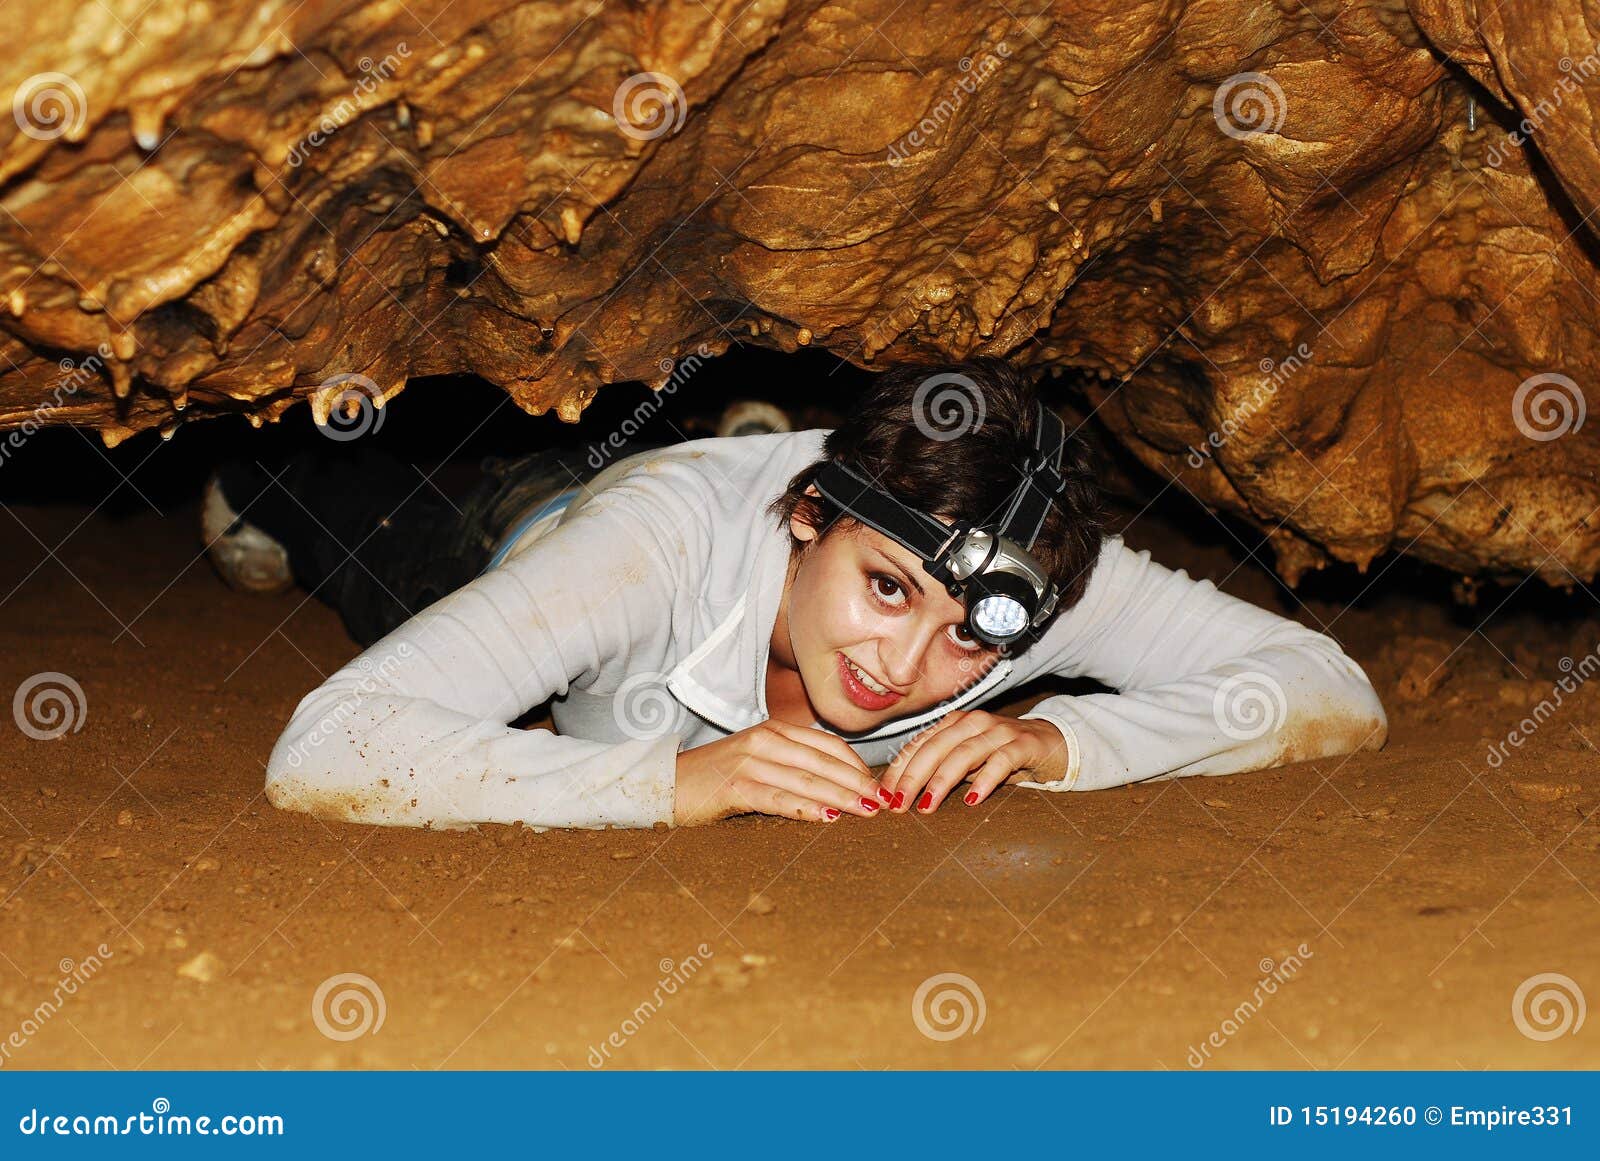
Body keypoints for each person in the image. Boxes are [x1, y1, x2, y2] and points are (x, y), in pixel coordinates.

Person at [206, 357, 1388, 832]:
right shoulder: (649, 554)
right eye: (885, 588)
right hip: (550, 529)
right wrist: (670, 782)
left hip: (749, 502)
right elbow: (332, 744)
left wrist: (1059, 735)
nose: (904, 666)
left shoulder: (1030, 574)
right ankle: (264, 477)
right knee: (369, 536)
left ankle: (744, 425)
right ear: (812, 515)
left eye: (966, 640)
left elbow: (1325, 684)